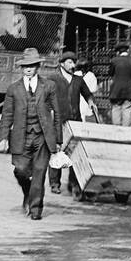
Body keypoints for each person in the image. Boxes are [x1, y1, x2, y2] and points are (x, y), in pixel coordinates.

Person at [0, 48, 63, 220]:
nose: (28, 68)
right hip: (22, 136)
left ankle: (35, 210)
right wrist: (3, 137)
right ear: (21, 68)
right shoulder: (13, 89)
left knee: (40, 173)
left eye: (32, 65)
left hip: (42, 137)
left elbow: (57, 112)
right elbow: (7, 114)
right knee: (20, 171)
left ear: (37, 67)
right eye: (25, 65)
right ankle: (28, 192)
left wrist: (58, 139)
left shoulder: (49, 86)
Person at [49, 52, 87, 194]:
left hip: (75, 122)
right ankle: (54, 183)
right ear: (62, 63)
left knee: (74, 154)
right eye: (70, 62)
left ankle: (73, 183)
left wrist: (91, 102)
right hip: (58, 122)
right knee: (57, 152)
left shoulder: (78, 80)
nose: (73, 65)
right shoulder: (53, 78)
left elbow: (87, 94)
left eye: (74, 63)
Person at [109, 46, 131, 126]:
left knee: (116, 110)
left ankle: (116, 130)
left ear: (118, 52)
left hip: (116, 91)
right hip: (129, 91)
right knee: (127, 111)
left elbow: (110, 73)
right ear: (128, 51)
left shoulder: (114, 61)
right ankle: (125, 131)